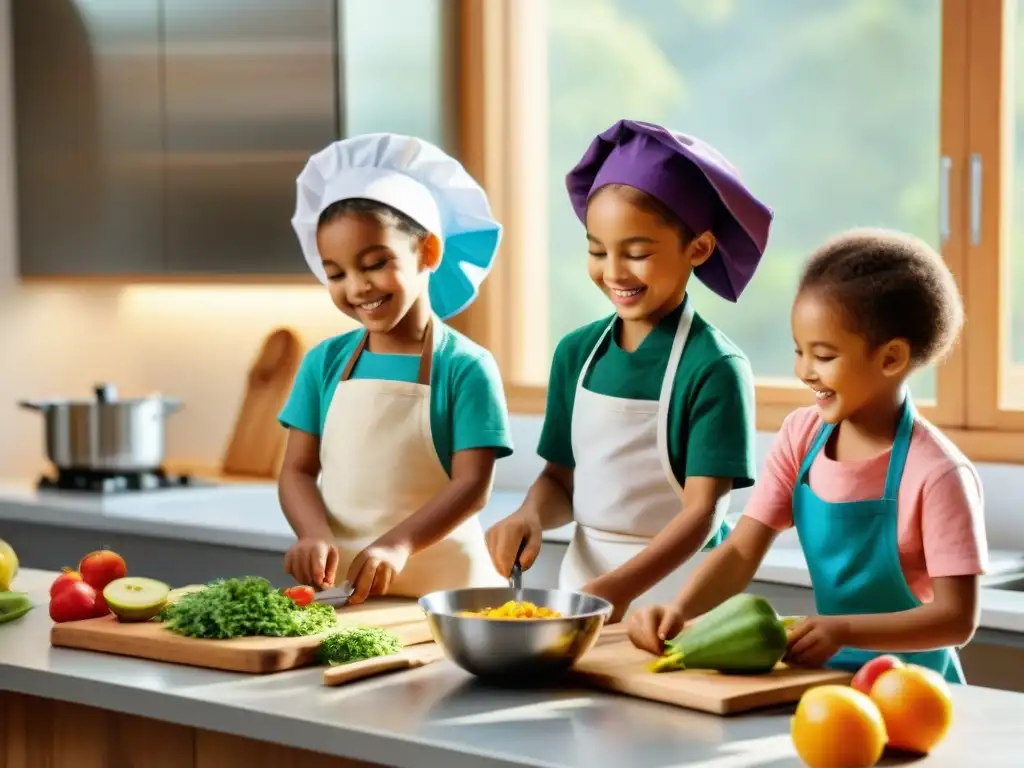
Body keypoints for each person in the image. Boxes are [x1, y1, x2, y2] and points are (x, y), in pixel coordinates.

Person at [628, 228, 986, 683]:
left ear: (891, 358)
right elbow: (740, 550)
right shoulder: (802, 436)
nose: (804, 371)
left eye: (824, 355)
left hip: (914, 689)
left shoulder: (937, 474)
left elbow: (958, 620)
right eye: (799, 351)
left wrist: (845, 629)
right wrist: (679, 612)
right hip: (825, 680)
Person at [485, 119, 774, 621]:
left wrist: (620, 588)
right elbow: (561, 481)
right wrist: (530, 513)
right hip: (585, 589)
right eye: (597, 251)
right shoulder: (576, 354)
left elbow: (703, 514)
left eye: (636, 253)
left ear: (698, 249)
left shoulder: (714, 368)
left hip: (680, 599)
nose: (614, 271)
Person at [279, 133, 513, 605]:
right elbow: (297, 471)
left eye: (375, 263)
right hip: (347, 592)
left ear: (428, 252)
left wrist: (399, 544)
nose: (358, 287)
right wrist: (311, 533)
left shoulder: (467, 367)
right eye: (337, 273)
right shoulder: (324, 363)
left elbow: (473, 486)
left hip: (452, 599)